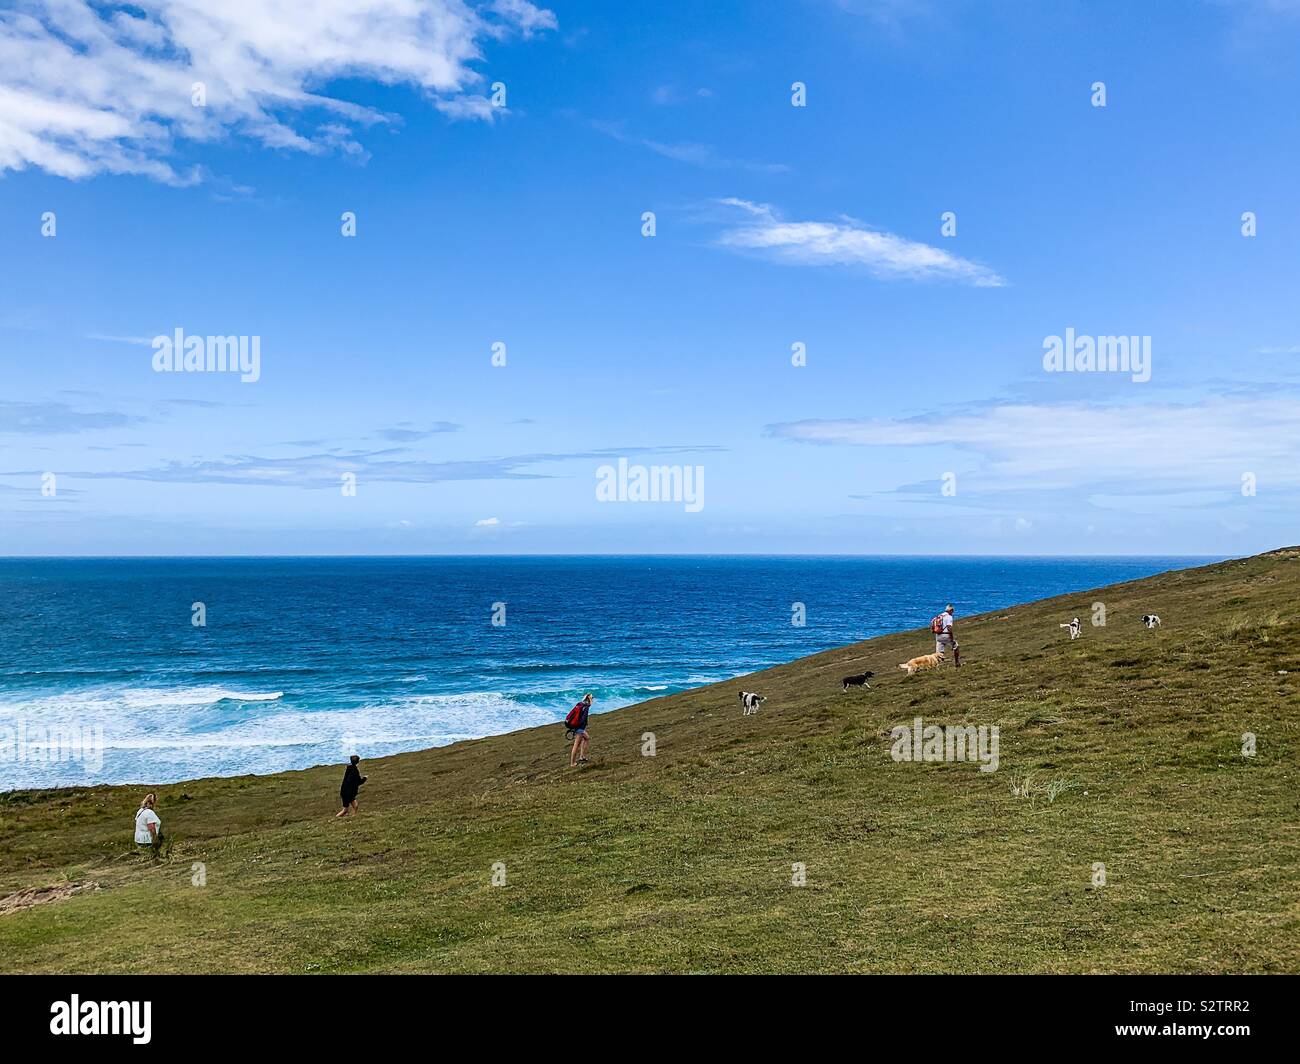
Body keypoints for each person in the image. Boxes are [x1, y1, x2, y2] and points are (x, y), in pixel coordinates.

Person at [568, 693, 594, 767]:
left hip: (577, 727)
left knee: (587, 738)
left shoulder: (580, 704)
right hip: (579, 728)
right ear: (589, 699)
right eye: (592, 698)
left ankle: (582, 757)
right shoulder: (586, 707)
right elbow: (582, 719)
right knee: (576, 745)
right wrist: (580, 729)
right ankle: (572, 763)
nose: (593, 699)